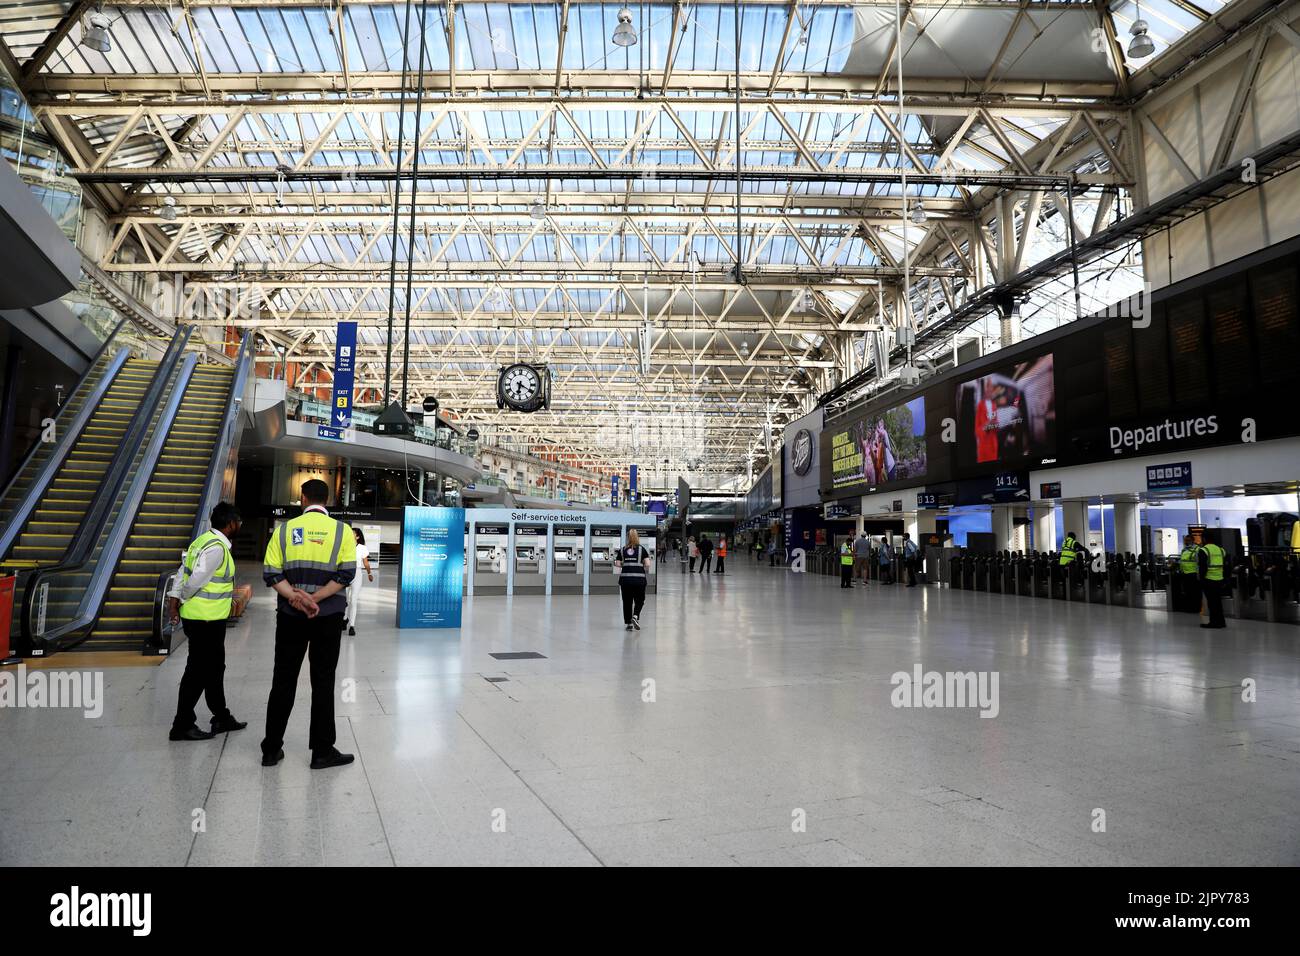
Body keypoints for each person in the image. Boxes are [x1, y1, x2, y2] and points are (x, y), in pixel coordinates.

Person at [261, 479, 357, 770]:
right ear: (327, 500)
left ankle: (271, 749)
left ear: (302, 498)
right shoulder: (343, 532)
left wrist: (296, 598)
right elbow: (347, 574)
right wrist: (316, 599)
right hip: (327, 618)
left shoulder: (284, 530)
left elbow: (270, 572)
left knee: (283, 679)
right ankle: (322, 751)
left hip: (290, 617)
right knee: (323, 681)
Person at [167, 502, 247, 742]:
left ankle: (221, 716)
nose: (240, 525)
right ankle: (181, 724)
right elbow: (194, 581)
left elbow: (183, 572)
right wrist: (181, 599)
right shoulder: (217, 548)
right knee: (198, 671)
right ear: (231, 523)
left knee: (214, 668)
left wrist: (174, 599)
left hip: (208, 618)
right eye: (239, 522)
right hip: (204, 619)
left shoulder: (201, 542)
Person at [614, 528, 651, 630]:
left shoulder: (622, 550)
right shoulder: (642, 549)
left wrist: (624, 563)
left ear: (628, 538)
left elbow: (617, 564)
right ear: (637, 537)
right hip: (639, 580)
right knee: (640, 599)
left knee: (627, 601)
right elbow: (648, 564)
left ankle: (629, 624)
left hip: (625, 580)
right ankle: (635, 616)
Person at [346, 527, 375, 636]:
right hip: (345, 572)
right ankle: (344, 619)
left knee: (353, 600)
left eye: (352, 533)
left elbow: (366, 563)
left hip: (357, 573)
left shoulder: (362, 548)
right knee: (345, 600)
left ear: (357, 536)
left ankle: (352, 626)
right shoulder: (344, 545)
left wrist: (369, 573)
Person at [1198, 539, 1227, 629]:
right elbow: (1225, 564)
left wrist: (1202, 580)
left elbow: (1203, 567)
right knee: (1218, 602)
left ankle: (1214, 623)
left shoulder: (1204, 550)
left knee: (1212, 603)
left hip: (1209, 580)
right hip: (1220, 579)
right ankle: (1221, 622)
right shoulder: (1221, 550)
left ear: (1205, 539)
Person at [1176, 534, 1200, 613]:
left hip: (1193, 574)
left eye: (1188, 540)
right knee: (1187, 591)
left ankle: (1195, 608)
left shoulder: (1197, 549)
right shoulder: (1184, 550)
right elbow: (1182, 561)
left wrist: (1198, 574)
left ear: (1193, 541)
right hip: (1185, 573)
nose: (1186, 542)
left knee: (1194, 592)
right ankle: (1189, 607)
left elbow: (1198, 562)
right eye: (1185, 540)